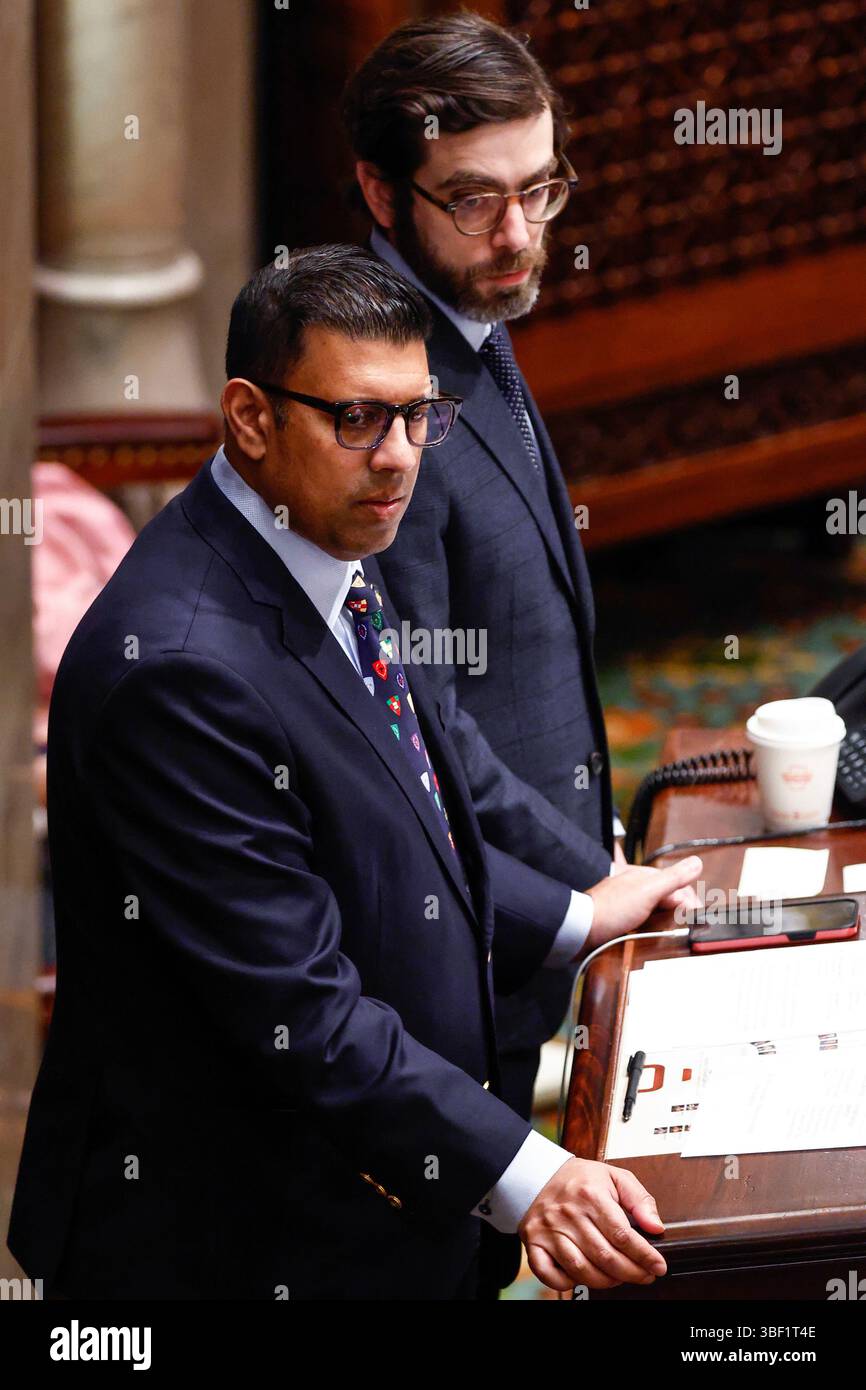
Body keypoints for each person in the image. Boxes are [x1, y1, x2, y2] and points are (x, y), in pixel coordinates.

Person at [8, 247, 700, 1300]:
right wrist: (531, 1177)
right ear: (249, 417)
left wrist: (576, 917)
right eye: (357, 418)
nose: (398, 458)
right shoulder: (182, 676)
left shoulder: (320, 532)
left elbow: (404, 821)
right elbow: (303, 1010)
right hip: (241, 1244)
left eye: (419, 414)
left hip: (382, 1203)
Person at [344, 13, 624, 1157]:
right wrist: (586, 885)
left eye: (538, 189)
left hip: (533, 895)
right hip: (461, 934)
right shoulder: (380, 400)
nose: (517, 234)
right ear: (379, 190)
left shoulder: (470, 317)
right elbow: (418, 717)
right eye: (472, 199)